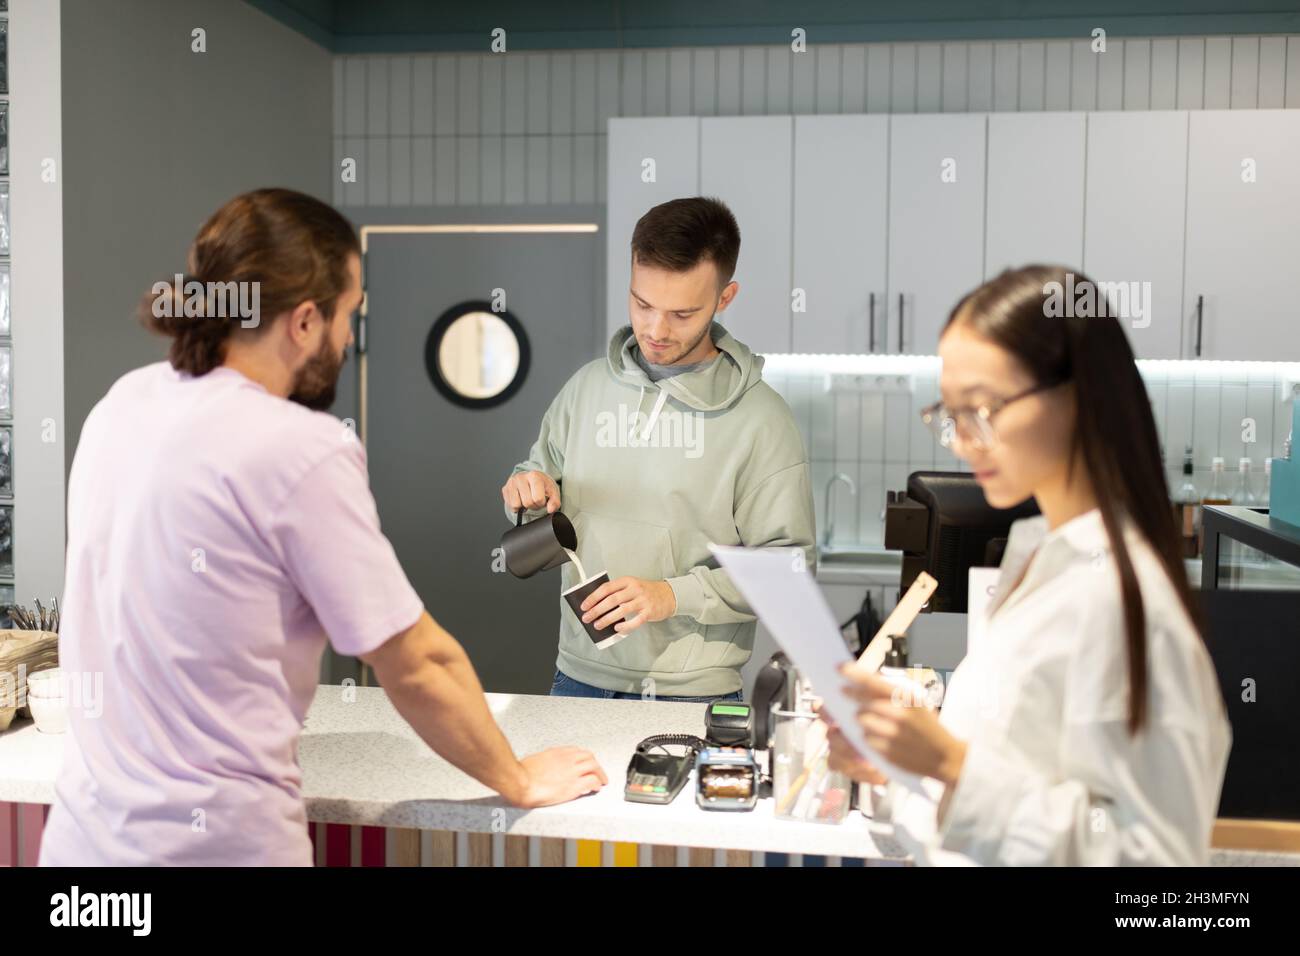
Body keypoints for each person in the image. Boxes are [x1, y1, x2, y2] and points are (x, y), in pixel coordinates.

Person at [40, 188, 606, 866]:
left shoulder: (121, 406)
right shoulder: (298, 449)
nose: (346, 339)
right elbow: (417, 663)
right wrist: (517, 778)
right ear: (305, 321)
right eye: (348, 315)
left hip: (82, 855)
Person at [829, 265, 1230, 866]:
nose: (962, 440)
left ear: (1078, 397)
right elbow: (1010, 786)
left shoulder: (1122, 596)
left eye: (983, 408)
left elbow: (1158, 866)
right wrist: (900, 769)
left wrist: (948, 762)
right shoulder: (1040, 560)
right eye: (950, 413)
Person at [501, 197, 816, 703]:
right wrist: (527, 486)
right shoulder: (586, 389)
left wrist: (673, 595)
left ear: (725, 298)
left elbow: (789, 569)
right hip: (576, 678)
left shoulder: (762, 421)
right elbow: (539, 474)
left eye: (682, 313)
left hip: (694, 695)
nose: (656, 330)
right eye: (642, 304)